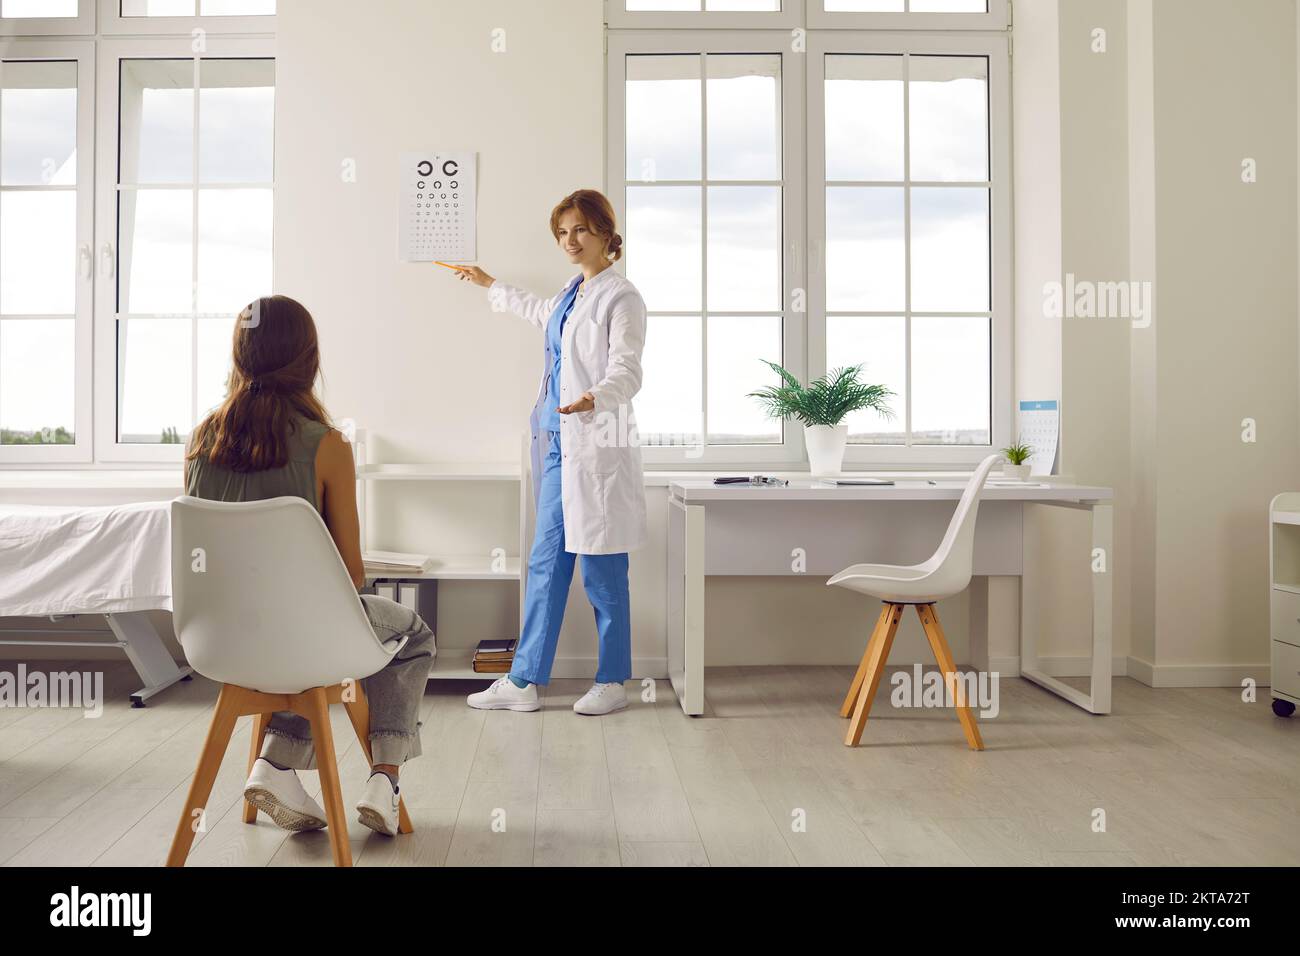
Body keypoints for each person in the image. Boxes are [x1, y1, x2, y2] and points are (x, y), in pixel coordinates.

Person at [184, 294, 434, 837]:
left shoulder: (200, 441)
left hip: (220, 640)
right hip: (301, 638)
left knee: (301, 633)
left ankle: (275, 767)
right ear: (308, 359)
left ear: (240, 354)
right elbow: (350, 576)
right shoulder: (328, 446)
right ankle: (383, 780)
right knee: (409, 633)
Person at [452, 188, 648, 716]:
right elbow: (540, 312)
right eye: (562, 232)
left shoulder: (621, 297)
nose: (570, 241)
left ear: (607, 232)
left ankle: (612, 681)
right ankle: (524, 680)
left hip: (596, 444)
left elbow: (627, 370)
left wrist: (595, 398)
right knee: (545, 563)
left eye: (581, 229)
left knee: (602, 570)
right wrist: (489, 282)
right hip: (559, 447)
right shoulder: (570, 293)